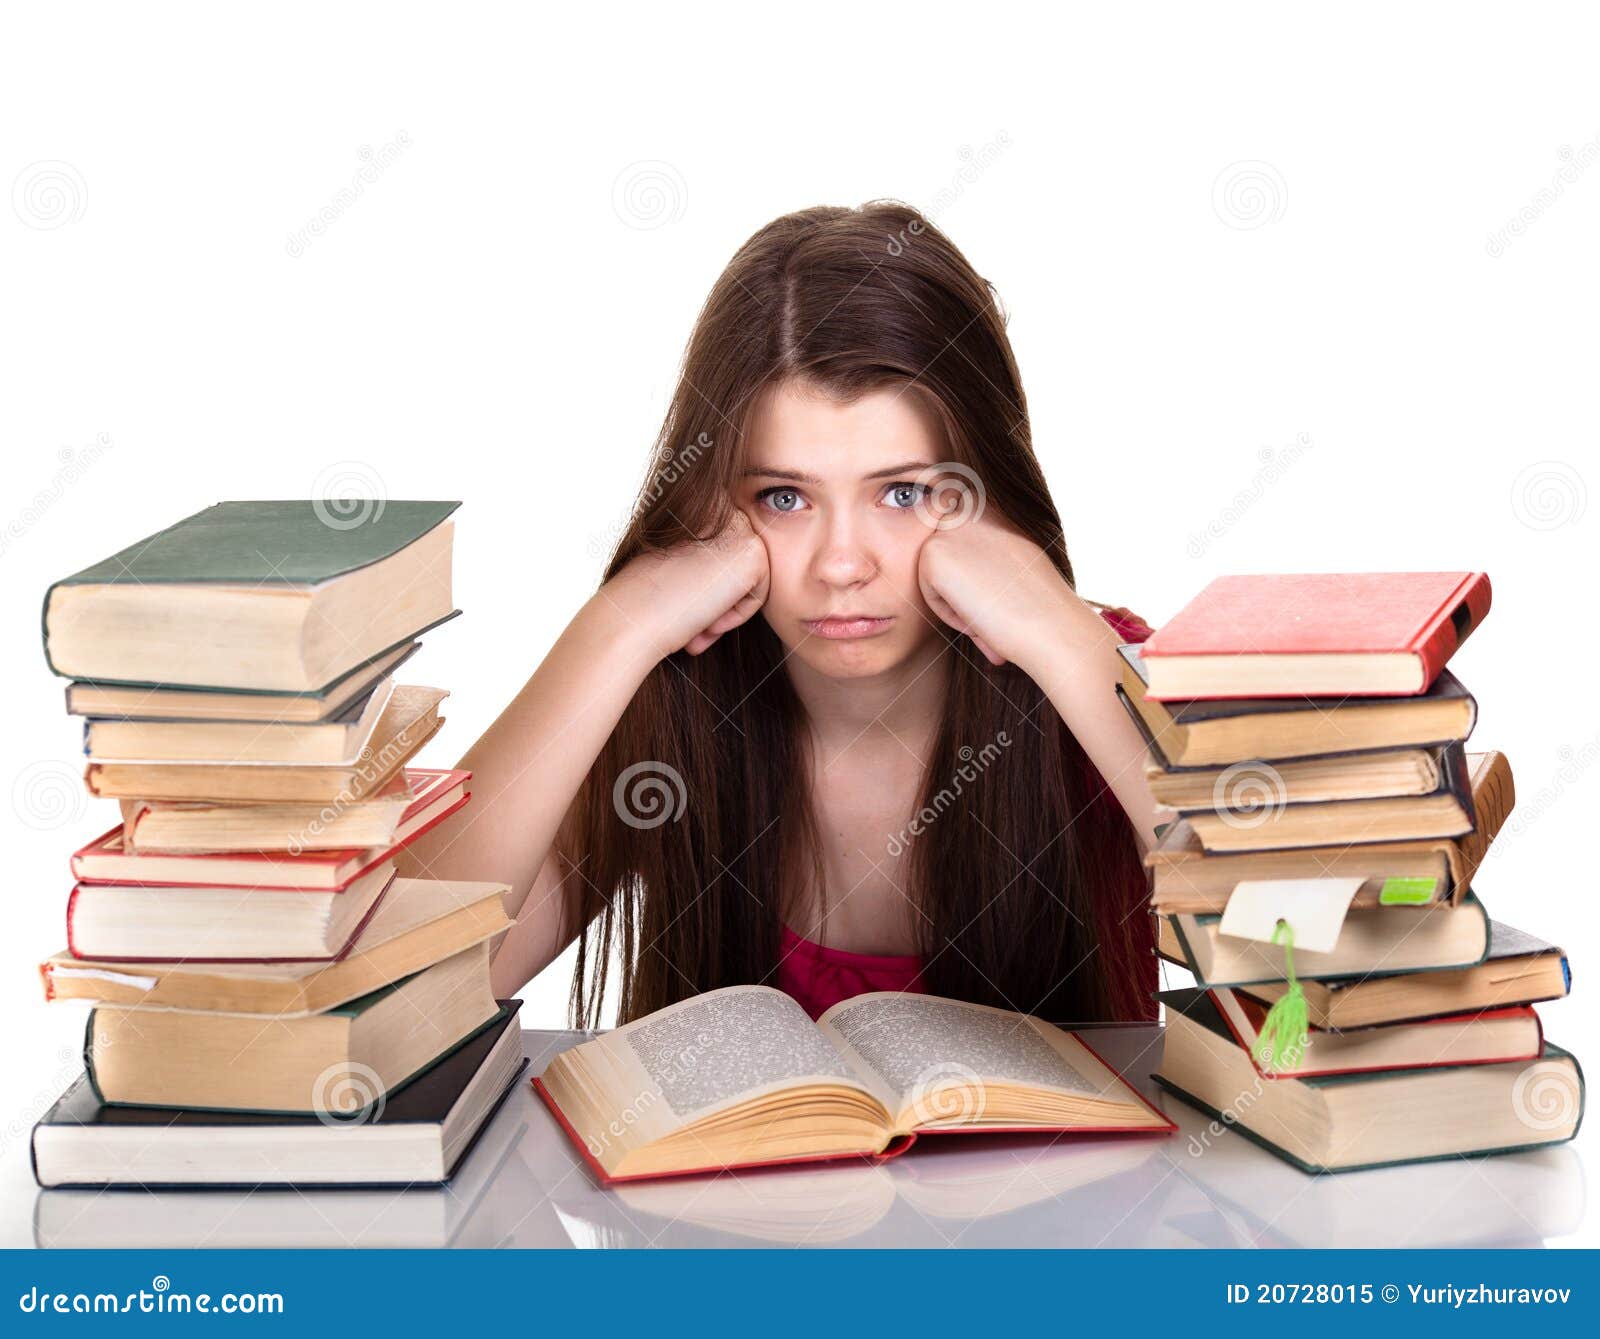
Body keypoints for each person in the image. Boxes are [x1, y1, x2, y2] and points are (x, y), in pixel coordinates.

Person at [397, 201, 1163, 1029]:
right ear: (716, 504)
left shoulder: (1101, 676)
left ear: (987, 493)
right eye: (785, 497)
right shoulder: (673, 708)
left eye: (902, 492)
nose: (841, 565)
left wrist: (1065, 643)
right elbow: (409, 995)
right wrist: (615, 628)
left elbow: (1291, 958)